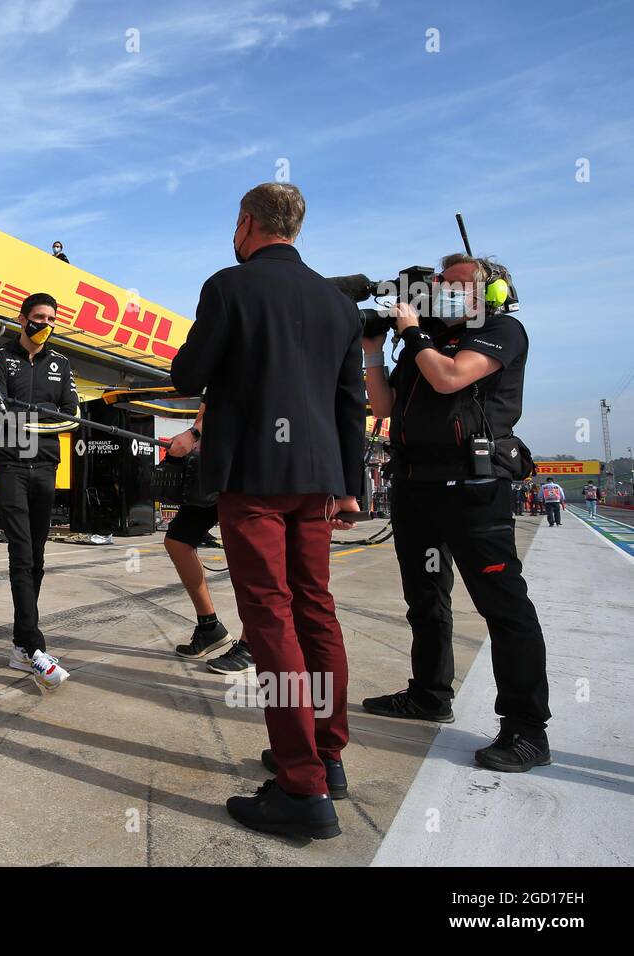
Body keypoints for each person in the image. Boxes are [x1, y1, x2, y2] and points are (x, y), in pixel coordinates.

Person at [172, 182, 363, 839]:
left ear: (248, 222)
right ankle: (327, 754)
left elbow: (186, 375)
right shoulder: (338, 305)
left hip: (252, 474)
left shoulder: (229, 286)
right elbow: (349, 404)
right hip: (315, 479)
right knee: (316, 607)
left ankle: (301, 786)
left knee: (270, 619)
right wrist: (350, 485)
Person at [361, 253, 551, 773]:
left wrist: (413, 331)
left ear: (490, 294)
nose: (442, 288)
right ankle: (428, 694)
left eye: (457, 283)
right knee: (424, 597)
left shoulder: (502, 330)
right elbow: (381, 408)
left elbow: (449, 379)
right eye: (441, 281)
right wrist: (375, 353)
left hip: (474, 486)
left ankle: (526, 728)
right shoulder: (426, 340)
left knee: (503, 605)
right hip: (416, 485)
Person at [0, 292, 78, 690]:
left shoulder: (61, 363)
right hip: (9, 463)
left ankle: (19, 643)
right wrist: (2, 398)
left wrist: (26, 415)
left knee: (37, 555)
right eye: (38, 317)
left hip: (46, 463)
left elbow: (69, 412)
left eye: (51, 318)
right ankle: (34, 645)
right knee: (20, 552)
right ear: (22, 318)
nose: (44, 323)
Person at [163, 402, 233, 659]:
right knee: (178, 540)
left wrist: (193, 434)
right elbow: (209, 409)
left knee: (249, 553)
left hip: (243, 466)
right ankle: (209, 626)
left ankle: (252, 644)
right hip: (211, 468)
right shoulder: (216, 369)